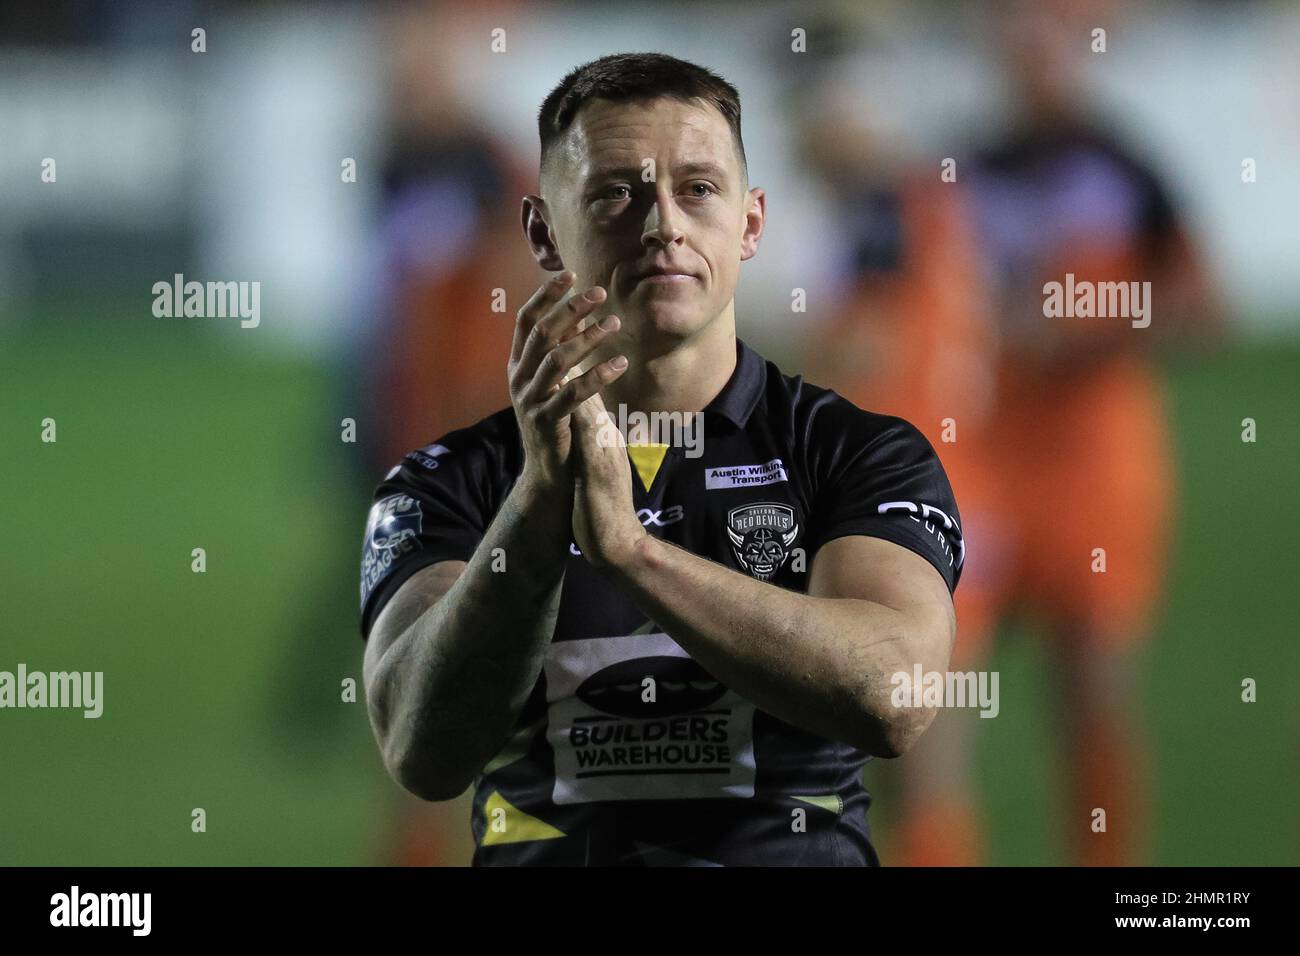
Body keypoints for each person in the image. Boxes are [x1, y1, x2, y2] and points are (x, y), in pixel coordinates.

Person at [356, 52, 965, 866]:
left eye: (698, 190)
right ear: (541, 232)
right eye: (616, 194)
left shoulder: (859, 453)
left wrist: (636, 557)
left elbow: (898, 696)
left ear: (750, 223)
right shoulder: (447, 484)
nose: (664, 225)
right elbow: (420, 750)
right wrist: (539, 503)